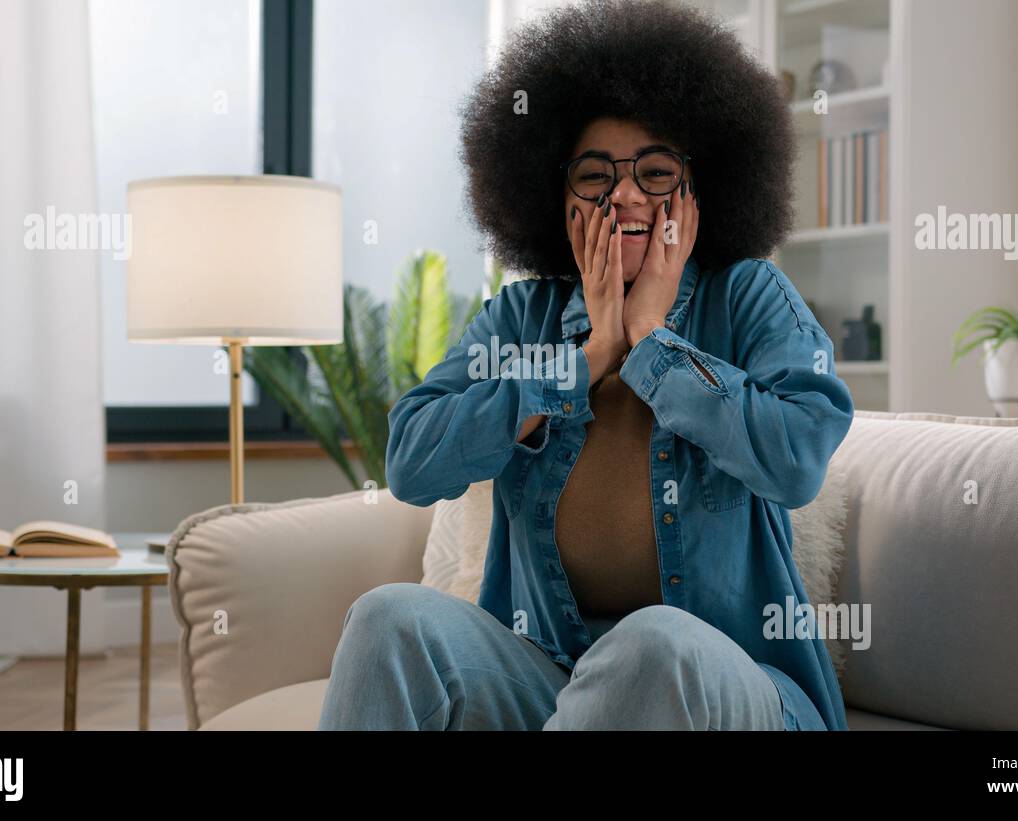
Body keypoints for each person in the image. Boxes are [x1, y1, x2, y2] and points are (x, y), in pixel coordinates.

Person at [317, 0, 855, 731]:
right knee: (388, 618)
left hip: (728, 684)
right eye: (596, 174)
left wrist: (655, 345)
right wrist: (587, 357)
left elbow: (797, 458)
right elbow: (413, 461)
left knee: (651, 642)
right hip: (554, 675)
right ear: (557, 198)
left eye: (655, 173)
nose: (625, 194)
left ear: (699, 194)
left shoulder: (749, 297)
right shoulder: (518, 319)